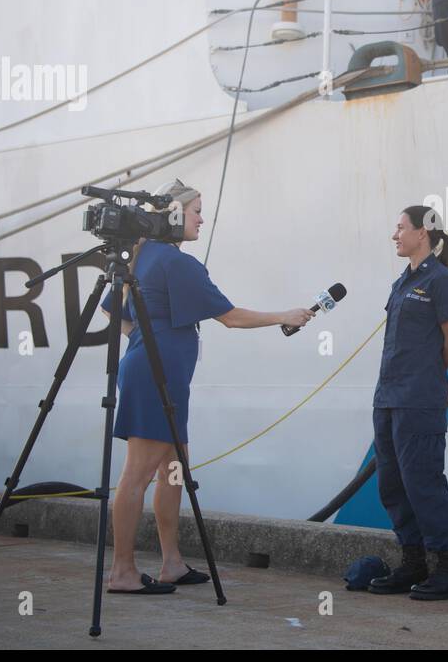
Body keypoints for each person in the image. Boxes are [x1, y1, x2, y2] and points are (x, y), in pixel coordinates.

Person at [98, 180, 312, 594]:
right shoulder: (176, 263)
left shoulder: (142, 256)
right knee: (137, 473)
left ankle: (172, 563)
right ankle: (122, 571)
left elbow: (115, 313)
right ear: (174, 214)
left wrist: (143, 339)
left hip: (158, 371)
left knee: (173, 469)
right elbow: (230, 317)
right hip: (157, 375)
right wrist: (284, 314)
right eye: (196, 209)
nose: (202, 218)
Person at [368, 206, 448, 600]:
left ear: (422, 233)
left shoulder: (442, 282)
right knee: (392, 484)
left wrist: (432, 379)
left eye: (400, 227)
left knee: (423, 481)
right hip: (388, 397)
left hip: (417, 399)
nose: (395, 235)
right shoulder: (402, 283)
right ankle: (413, 564)